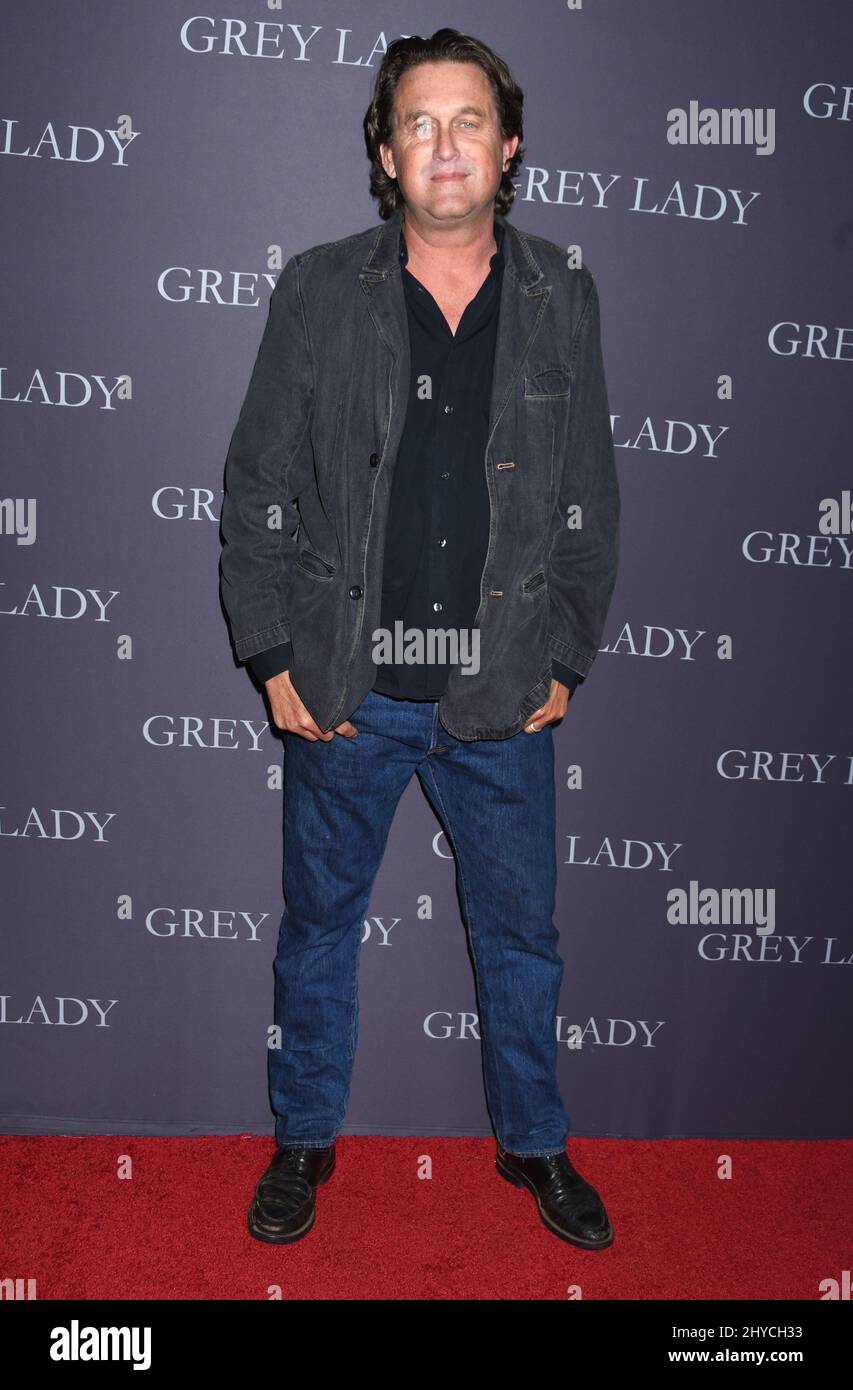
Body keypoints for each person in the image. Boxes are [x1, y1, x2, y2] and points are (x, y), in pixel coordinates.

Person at [219, 27, 620, 1249]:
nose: (444, 144)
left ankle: (535, 1142)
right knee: (318, 931)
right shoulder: (318, 289)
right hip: (347, 687)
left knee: (521, 939)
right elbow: (258, 482)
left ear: (509, 146)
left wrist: (565, 654)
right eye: (418, 124)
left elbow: (588, 491)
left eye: (467, 121)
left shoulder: (561, 293)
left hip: (501, 693)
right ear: (387, 155)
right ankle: (302, 1138)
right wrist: (272, 653)